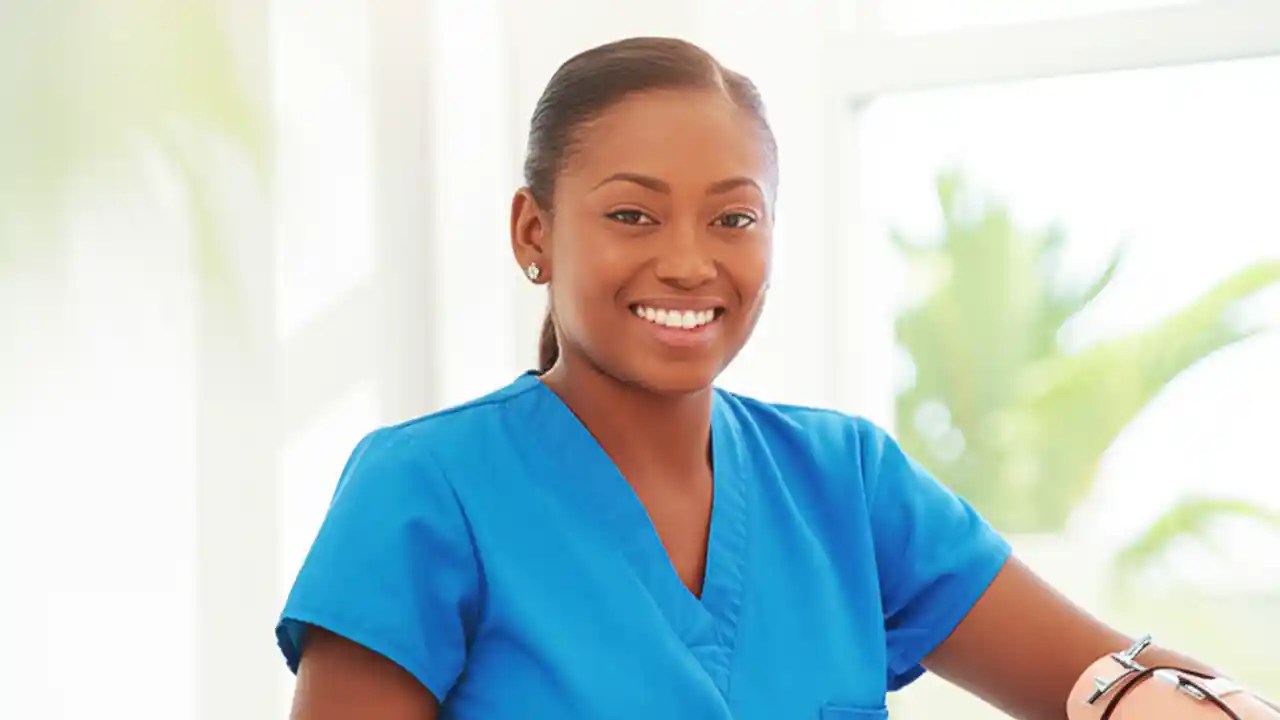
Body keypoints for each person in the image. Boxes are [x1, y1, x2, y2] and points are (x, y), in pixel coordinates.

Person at [276, 37, 1275, 719]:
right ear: (533, 233)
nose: (686, 260)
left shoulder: (843, 482)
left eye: (732, 217)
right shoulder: (427, 489)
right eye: (631, 214)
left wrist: (1164, 697)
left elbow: (1100, 678)